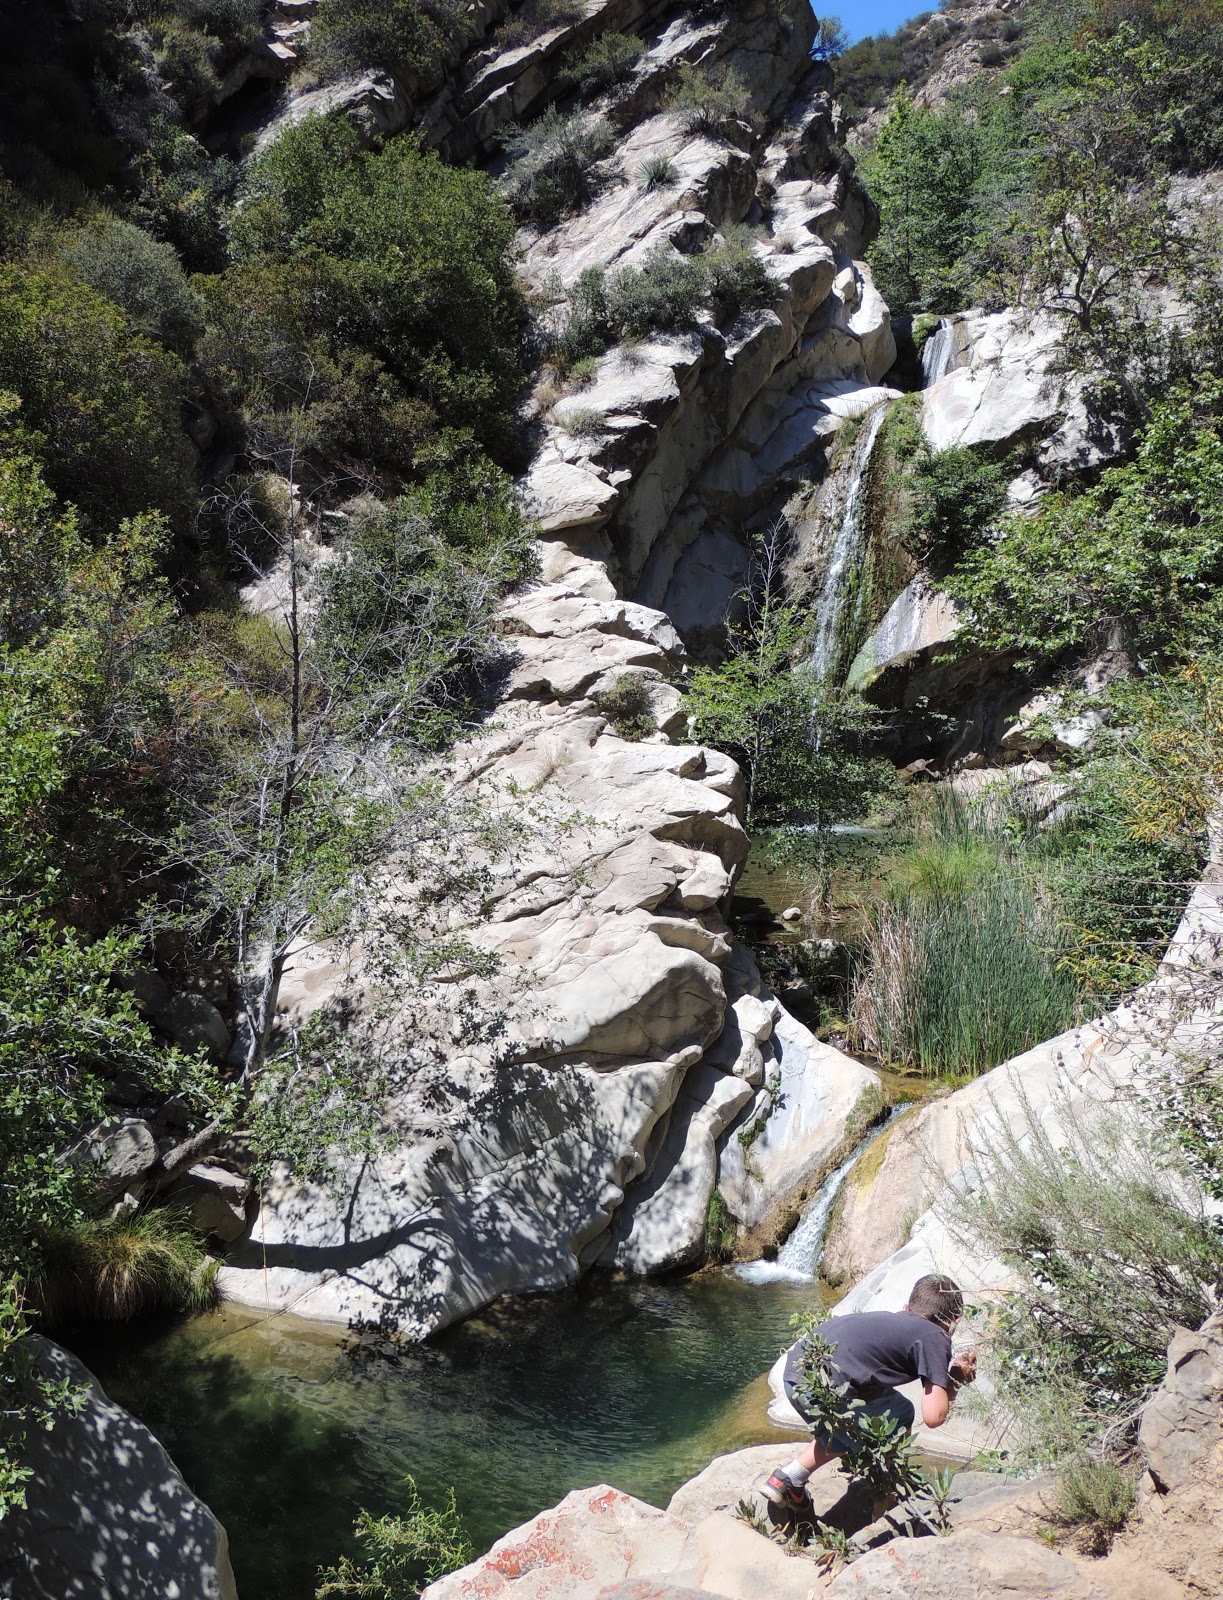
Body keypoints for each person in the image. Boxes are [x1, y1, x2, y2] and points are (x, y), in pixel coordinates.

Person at [761, 1273, 976, 1513]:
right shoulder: (935, 1335)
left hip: (796, 1377)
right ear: (954, 1321)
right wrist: (955, 1380)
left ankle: (788, 1479)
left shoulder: (895, 1321)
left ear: (907, 1307)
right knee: (901, 1414)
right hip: (830, 1385)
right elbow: (934, 1416)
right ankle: (886, 1502)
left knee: (844, 1431)